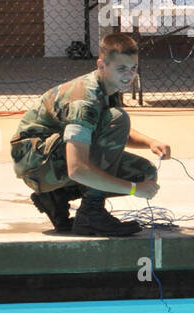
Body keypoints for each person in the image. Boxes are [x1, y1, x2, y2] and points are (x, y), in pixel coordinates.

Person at [10, 32, 169, 236]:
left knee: (144, 173)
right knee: (118, 118)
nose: (129, 76)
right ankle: (91, 214)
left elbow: (109, 134)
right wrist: (133, 189)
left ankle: (56, 196)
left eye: (133, 68)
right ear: (102, 66)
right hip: (37, 164)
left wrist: (151, 142)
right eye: (121, 69)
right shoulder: (85, 100)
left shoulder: (108, 86)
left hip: (51, 158)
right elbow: (77, 169)